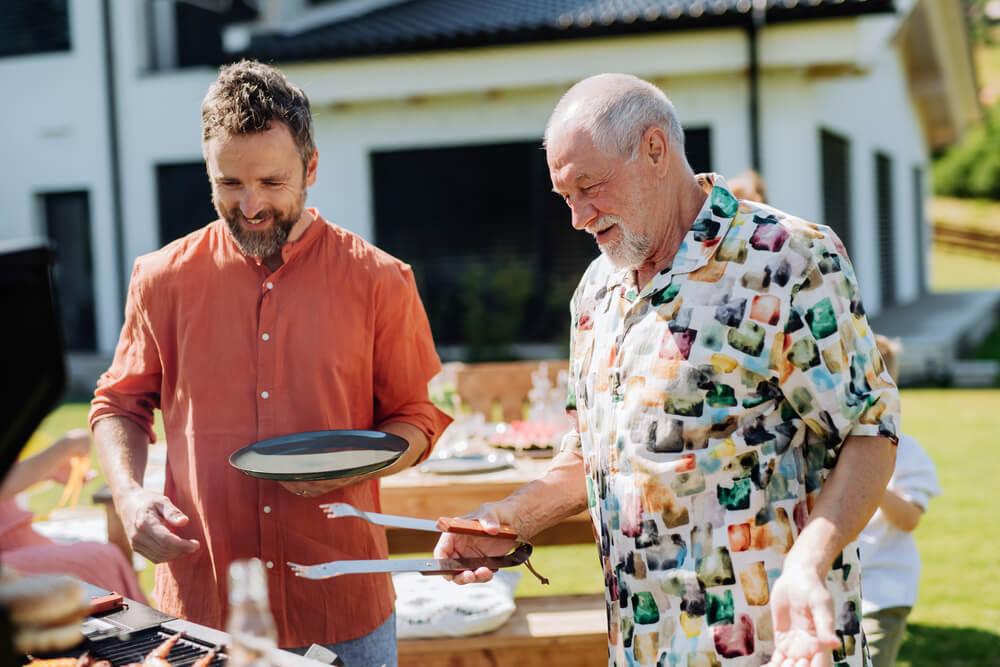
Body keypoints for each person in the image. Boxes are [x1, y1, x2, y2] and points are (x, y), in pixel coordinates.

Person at [434, 73, 900, 667]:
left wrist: (810, 562)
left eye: (589, 186)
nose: (577, 217)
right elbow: (591, 453)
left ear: (655, 150)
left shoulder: (789, 258)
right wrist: (505, 521)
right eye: (565, 197)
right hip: (643, 647)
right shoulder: (597, 290)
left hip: (775, 647)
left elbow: (870, 429)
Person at [89, 59, 451, 665]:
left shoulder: (381, 280)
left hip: (344, 610)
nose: (250, 205)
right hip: (203, 614)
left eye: (271, 183)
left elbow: (416, 416)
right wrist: (127, 495)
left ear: (310, 167)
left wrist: (366, 461)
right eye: (229, 183)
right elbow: (118, 403)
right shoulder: (160, 279)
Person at [859, 336, 941, 667]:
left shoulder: (905, 451)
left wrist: (867, 481)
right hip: (834, 590)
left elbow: (909, 518)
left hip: (883, 593)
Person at [0, 429, 147, 603]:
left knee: (104, 556)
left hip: (15, 538)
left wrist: (48, 472)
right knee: (100, 557)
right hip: (7, 552)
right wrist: (66, 446)